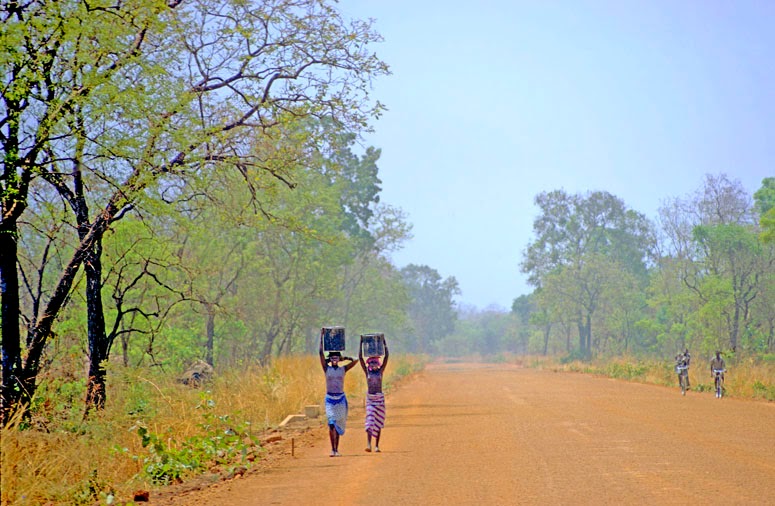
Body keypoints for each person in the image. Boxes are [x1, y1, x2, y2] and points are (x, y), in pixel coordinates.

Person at [319, 332, 358, 457]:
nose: (334, 360)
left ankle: (337, 449)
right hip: (330, 399)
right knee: (331, 423)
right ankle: (332, 449)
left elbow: (356, 360)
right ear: (329, 359)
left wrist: (344, 358)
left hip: (340, 399)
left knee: (338, 425)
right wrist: (322, 337)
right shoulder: (327, 369)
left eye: (337, 358)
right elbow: (320, 353)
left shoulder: (343, 369)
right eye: (332, 358)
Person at [359, 335, 389, 453]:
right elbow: (360, 358)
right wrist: (361, 343)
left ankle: (377, 445)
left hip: (380, 399)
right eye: (371, 363)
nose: (373, 365)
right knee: (370, 421)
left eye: (375, 363)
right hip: (371, 400)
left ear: (378, 364)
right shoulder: (367, 373)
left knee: (378, 422)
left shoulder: (380, 372)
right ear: (368, 365)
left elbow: (387, 357)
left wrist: (384, 342)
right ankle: (368, 444)